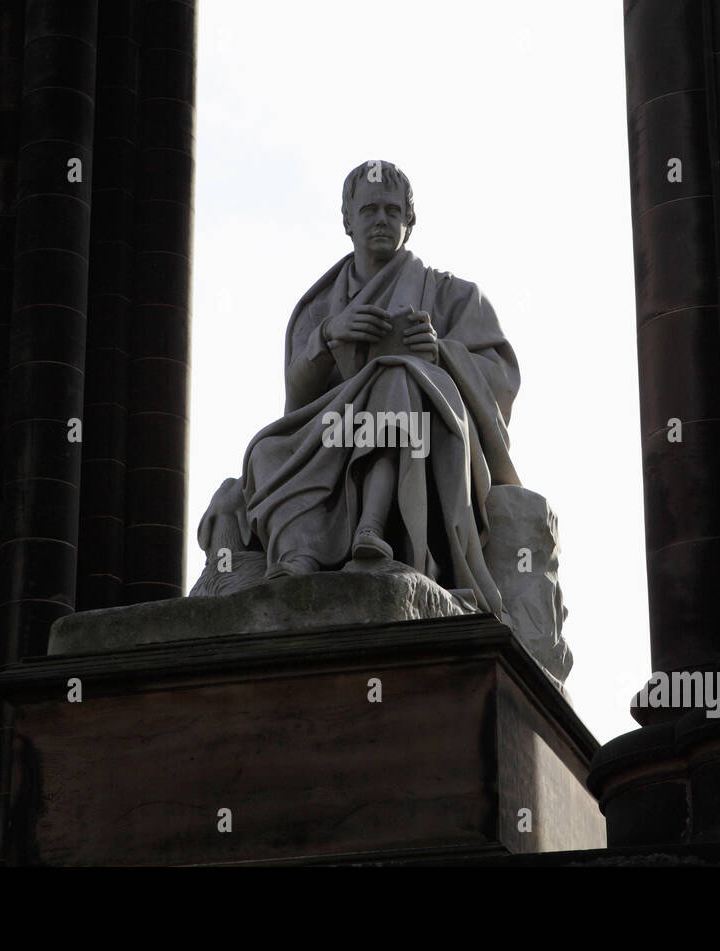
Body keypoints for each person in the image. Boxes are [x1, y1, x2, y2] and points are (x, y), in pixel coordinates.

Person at [201, 160, 523, 617]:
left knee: (396, 378)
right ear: (347, 220)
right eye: (369, 210)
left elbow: (500, 380)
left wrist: (441, 354)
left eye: (393, 211)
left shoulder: (455, 296)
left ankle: (372, 533)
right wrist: (329, 337)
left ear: (409, 222)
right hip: (332, 430)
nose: (381, 220)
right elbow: (297, 405)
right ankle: (299, 554)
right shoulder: (317, 306)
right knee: (266, 452)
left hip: (419, 434)